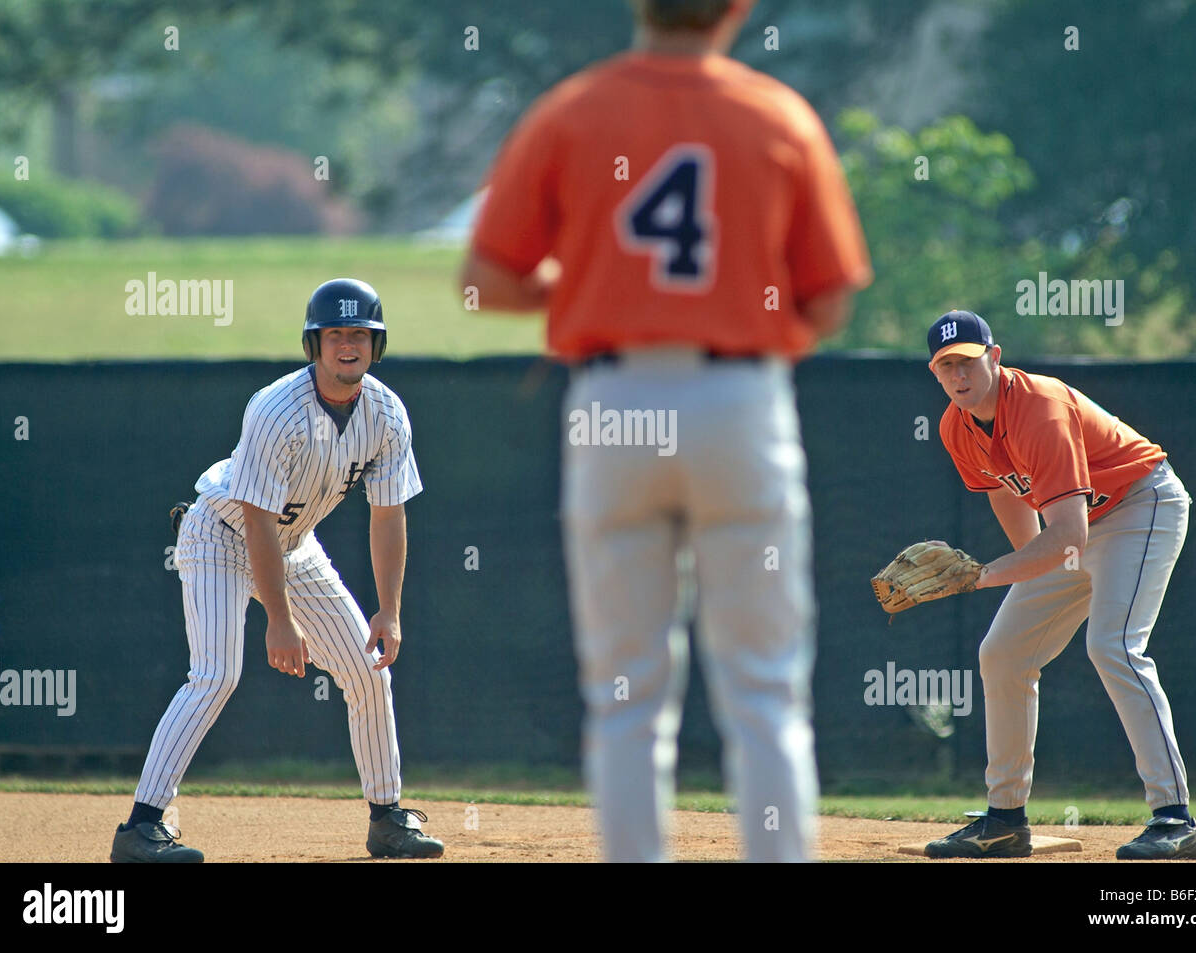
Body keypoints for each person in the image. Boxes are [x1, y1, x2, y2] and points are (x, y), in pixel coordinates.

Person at [459, 0, 871, 861]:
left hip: (615, 401)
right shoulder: (776, 114)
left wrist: (583, 286)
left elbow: (486, 280)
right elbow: (830, 300)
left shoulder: (573, 110)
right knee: (763, 690)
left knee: (626, 696)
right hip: (740, 400)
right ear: (737, 8)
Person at [110, 278, 443, 863]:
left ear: (376, 345)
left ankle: (388, 819)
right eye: (335, 333)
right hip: (222, 534)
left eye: (360, 334)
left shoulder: (387, 414)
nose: (348, 344)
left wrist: (388, 609)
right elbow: (256, 522)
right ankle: (140, 828)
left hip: (296, 546)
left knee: (368, 670)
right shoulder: (274, 409)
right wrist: (281, 623)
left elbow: (387, 516)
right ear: (313, 344)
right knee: (216, 675)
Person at [921, 309, 1196, 860]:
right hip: (1076, 528)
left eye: (969, 361)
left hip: (1139, 506)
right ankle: (1004, 819)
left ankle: (1175, 818)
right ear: (934, 372)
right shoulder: (956, 428)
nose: (959, 374)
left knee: (1114, 646)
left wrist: (983, 576)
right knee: (1003, 653)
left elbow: (1068, 535)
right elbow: (1007, 496)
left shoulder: (1039, 407)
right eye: (946, 364)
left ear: (995, 358)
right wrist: (1020, 567)